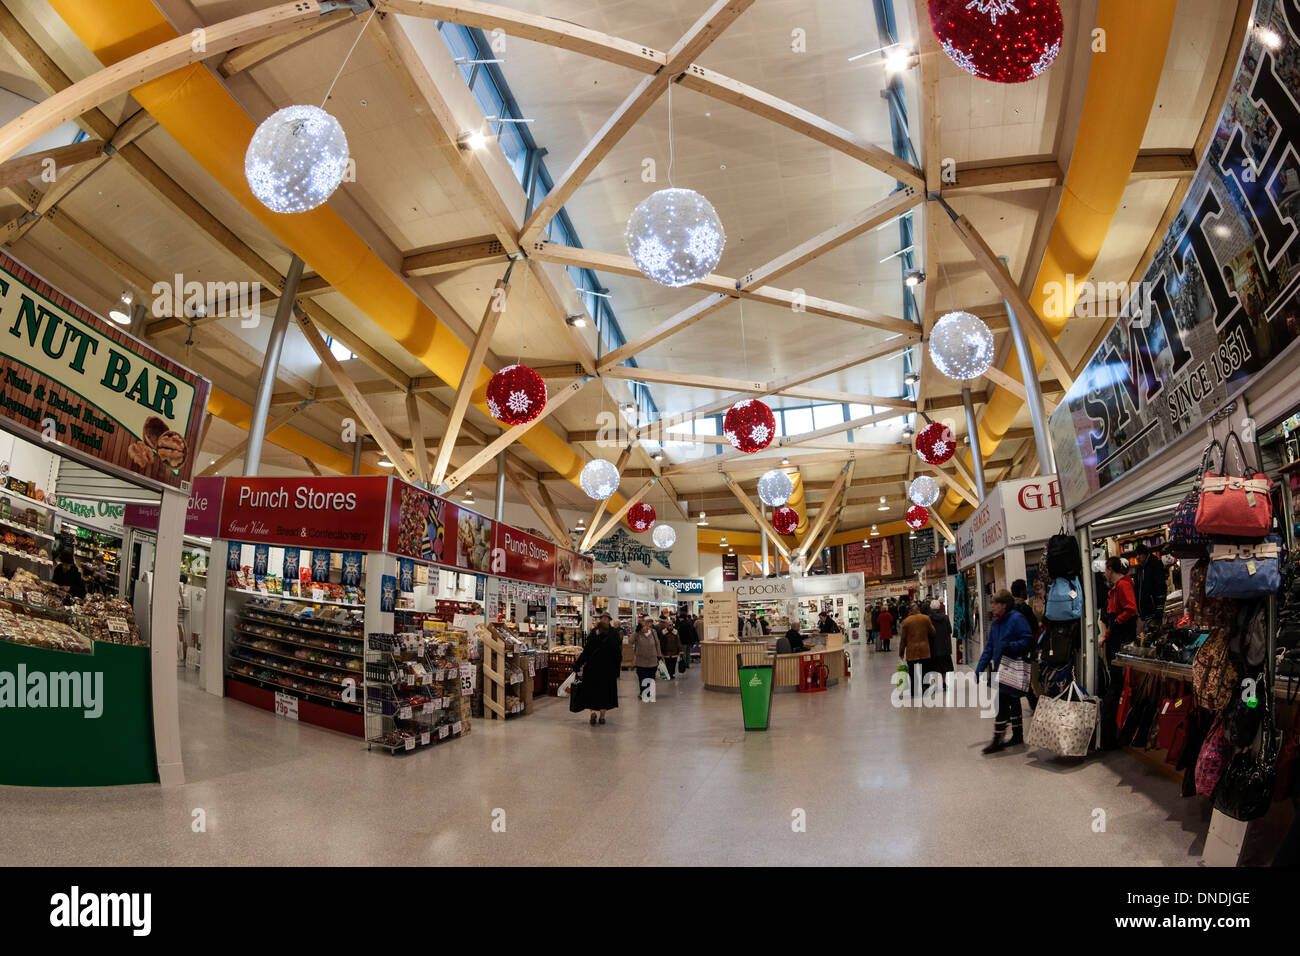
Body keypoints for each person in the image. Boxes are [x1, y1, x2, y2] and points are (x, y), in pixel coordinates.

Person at [975, 589, 1034, 753]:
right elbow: (989, 648)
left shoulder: (1016, 619)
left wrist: (1013, 646)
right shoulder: (996, 622)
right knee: (1012, 701)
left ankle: (998, 739)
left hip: (1012, 666)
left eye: (994, 603)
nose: (992, 606)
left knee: (1002, 702)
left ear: (1004, 605)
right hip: (999, 667)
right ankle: (1017, 735)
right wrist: (980, 668)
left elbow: (1028, 639)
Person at [573, 613, 621, 725]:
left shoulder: (593, 636)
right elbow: (618, 655)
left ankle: (593, 713)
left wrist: (577, 665)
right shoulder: (613, 636)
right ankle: (602, 716)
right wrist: (615, 669)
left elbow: (585, 653)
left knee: (592, 693)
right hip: (607, 671)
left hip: (592, 670)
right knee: (605, 694)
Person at [1010, 579, 1040, 710]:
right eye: (1026, 589)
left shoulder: (1009, 608)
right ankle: (1033, 701)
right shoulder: (1025, 608)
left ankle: (1031, 700)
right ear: (1022, 591)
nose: (1027, 591)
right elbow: (1034, 627)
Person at [898, 602, 935, 700]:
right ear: (918, 609)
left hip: (912, 651)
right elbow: (933, 632)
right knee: (925, 670)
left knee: (913, 672)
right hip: (924, 649)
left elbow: (903, 639)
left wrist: (901, 652)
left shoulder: (906, 621)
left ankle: (914, 691)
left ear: (910, 611)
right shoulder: (926, 618)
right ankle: (925, 688)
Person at [1134, 544, 1167, 628]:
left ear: (1145, 554)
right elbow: (1137, 589)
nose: (1137, 557)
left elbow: (1161, 586)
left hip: (1154, 612)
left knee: (1155, 635)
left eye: (1139, 554)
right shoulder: (1139, 569)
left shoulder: (1155, 564)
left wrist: (1159, 608)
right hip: (1143, 614)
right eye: (1136, 555)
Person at [927, 599, 954, 687]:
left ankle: (934, 683)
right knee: (944, 666)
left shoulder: (928, 618)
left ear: (931, 607)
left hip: (933, 645)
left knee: (934, 666)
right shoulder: (945, 617)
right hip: (944, 645)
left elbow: (928, 632)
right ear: (939, 607)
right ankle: (943, 682)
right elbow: (950, 630)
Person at [632, 620, 662, 696]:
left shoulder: (653, 632)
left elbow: (657, 644)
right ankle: (643, 693)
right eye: (643, 626)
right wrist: (636, 632)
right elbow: (630, 641)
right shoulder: (638, 634)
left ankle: (649, 692)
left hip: (652, 659)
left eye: (646, 625)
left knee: (651, 677)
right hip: (641, 660)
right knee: (642, 677)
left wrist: (659, 655)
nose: (645, 627)